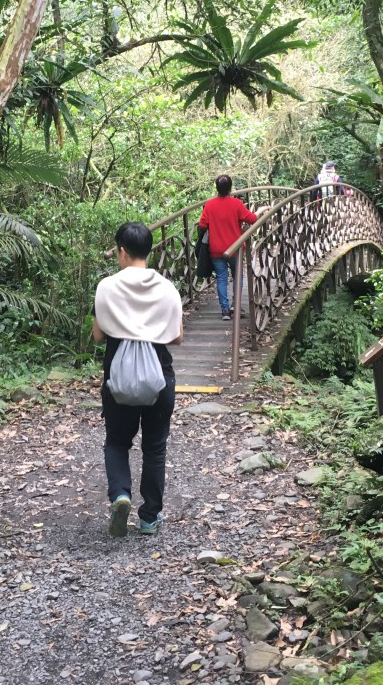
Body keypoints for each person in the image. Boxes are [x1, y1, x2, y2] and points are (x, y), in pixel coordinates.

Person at [92, 222, 184, 537]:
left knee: (117, 442)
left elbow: (97, 335)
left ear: (122, 251)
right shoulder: (167, 289)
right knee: (155, 447)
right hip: (159, 375)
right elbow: (177, 337)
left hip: (119, 377)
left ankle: (121, 494)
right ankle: (149, 517)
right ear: (149, 250)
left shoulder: (107, 287)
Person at [197, 175, 258, 321]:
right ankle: (235, 306)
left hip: (216, 248)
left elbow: (202, 225)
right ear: (230, 188)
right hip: (235, 248)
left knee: (221, 278)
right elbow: (252, 219)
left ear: (216, 188)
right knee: (237, 276)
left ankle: (225, 310)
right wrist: (260, 212)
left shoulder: (210, 205)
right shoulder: (236, 204)